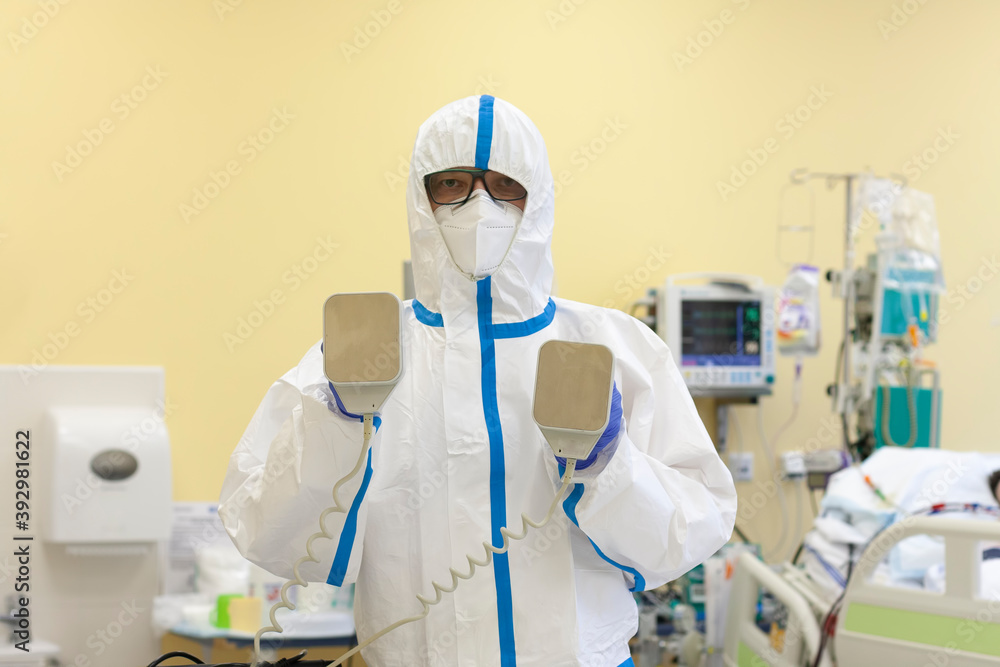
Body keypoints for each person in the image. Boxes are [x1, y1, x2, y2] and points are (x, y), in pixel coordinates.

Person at [219, 95, 736, 667]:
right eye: (453, 184)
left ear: (535, 196)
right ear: (422, 197)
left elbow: (690, 529)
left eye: (503, 184)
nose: (478, 206)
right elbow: (264, 529)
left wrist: (609, 467)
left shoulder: (614, 348)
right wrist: (333, 427)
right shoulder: (359, 352)